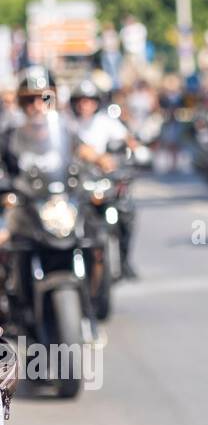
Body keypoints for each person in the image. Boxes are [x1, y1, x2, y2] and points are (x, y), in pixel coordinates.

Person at [69, 80, 140, 277]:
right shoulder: (69, 125)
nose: (85, 105)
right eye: (81, 101)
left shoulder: (106, 122)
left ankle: (124, 260)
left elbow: (128, 141)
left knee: (127, 213)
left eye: (89, 101)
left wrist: (134, 153)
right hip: (79, 183)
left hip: (106, 180)